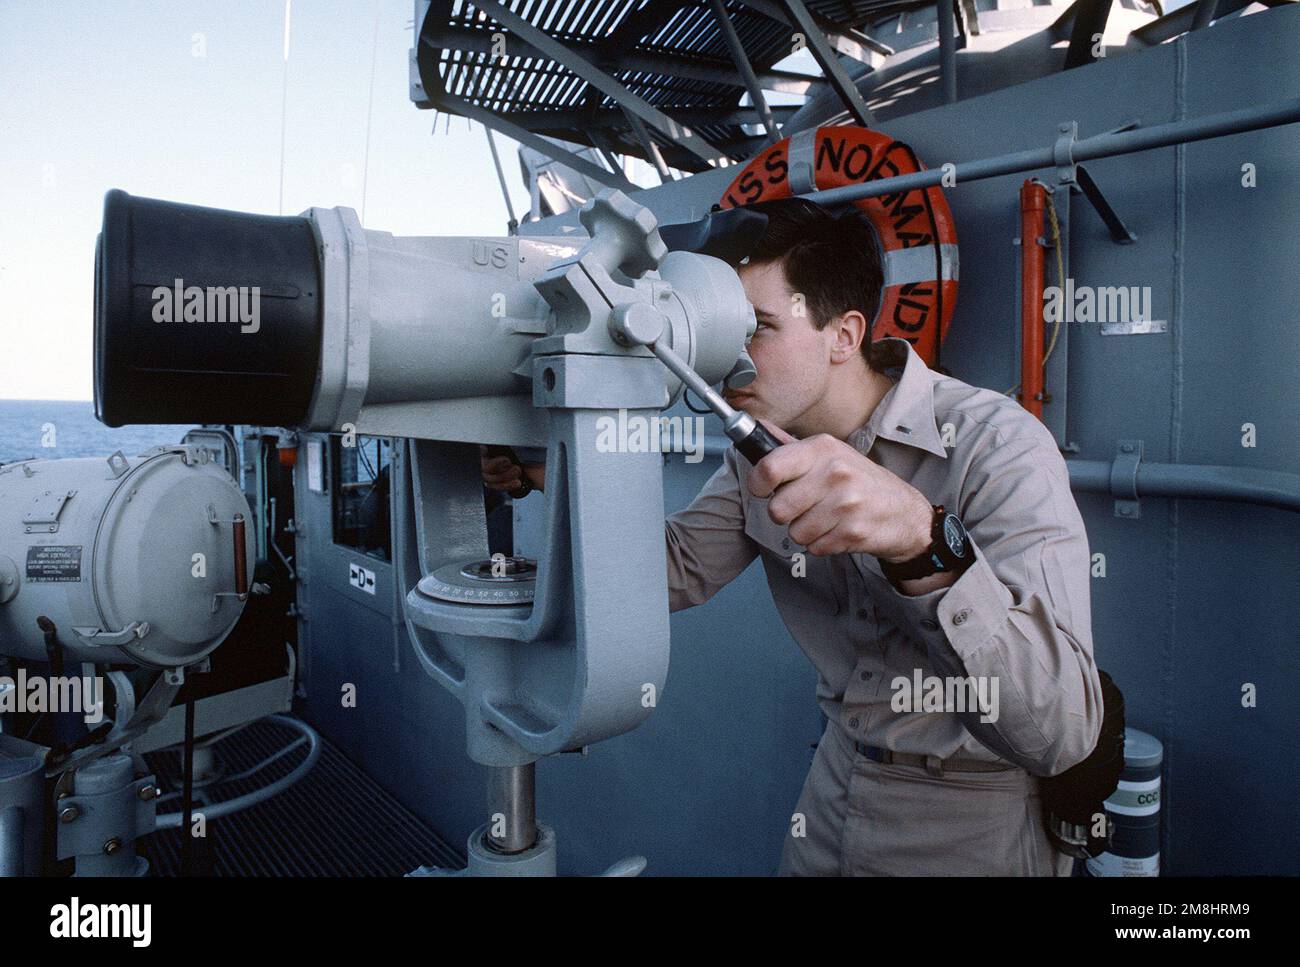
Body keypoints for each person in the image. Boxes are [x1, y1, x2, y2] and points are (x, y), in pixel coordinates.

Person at [481, 197, 1102, 876]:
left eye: (759, 329)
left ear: (843, 334)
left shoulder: (997, 445)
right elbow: (675, 569)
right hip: (837, 783)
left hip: (971, 814)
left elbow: (1063, 731)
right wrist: (555, 472)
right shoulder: (758, 450)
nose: (730, 363)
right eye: (724, 331)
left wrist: (924, 543)